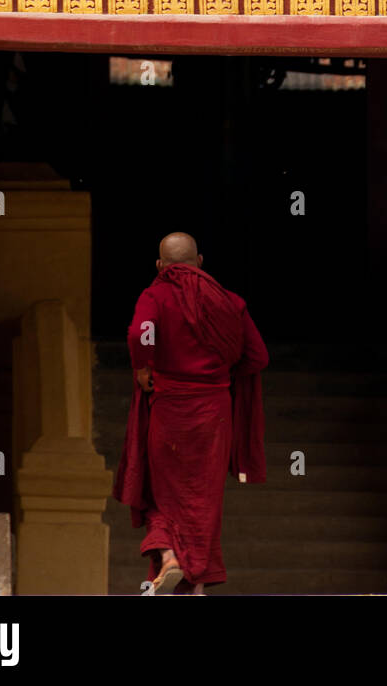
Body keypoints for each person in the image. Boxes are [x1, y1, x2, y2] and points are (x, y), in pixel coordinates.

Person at [114, 231, 268, 596]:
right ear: (199, 262)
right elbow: (257, 356)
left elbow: (140, 334)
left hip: (169, 413)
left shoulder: (155, 295)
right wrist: (218, 371)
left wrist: (143, 366)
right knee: (202, 499)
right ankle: (195, 587)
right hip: (214, 416)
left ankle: (169, 555)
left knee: (159, 492)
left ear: (159, 266)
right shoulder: (230, 302)